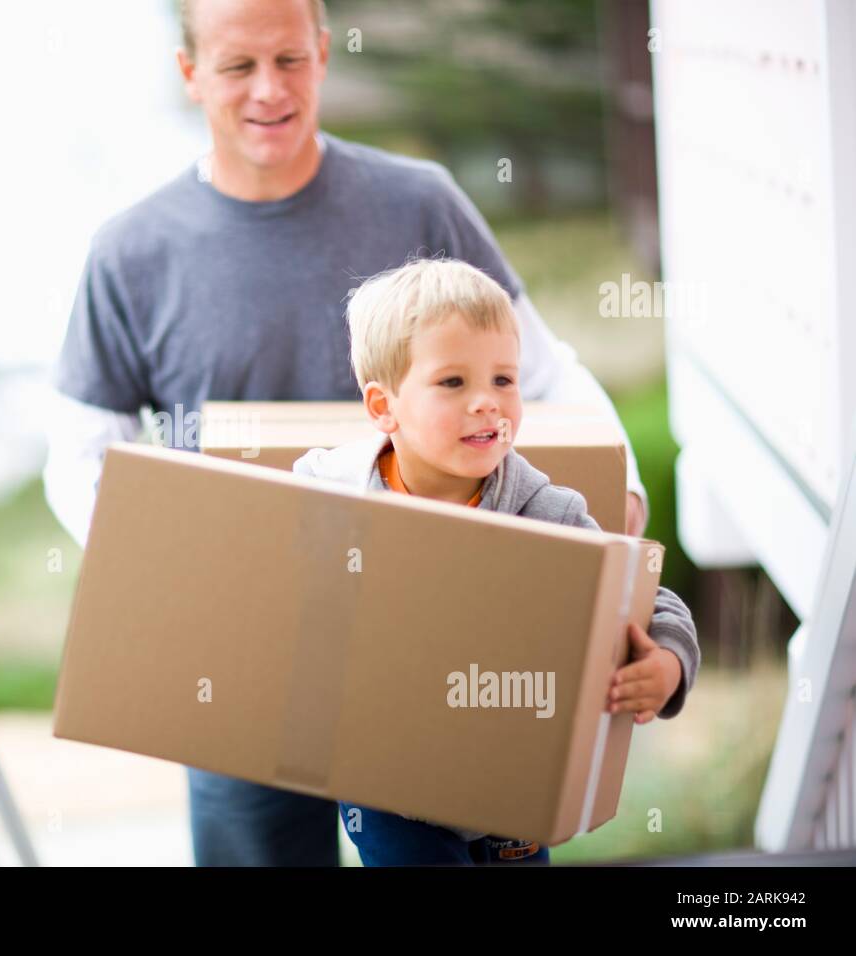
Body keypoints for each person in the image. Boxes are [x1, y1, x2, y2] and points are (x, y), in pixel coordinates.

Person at [45, 0, 652, 866]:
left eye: (291, 59)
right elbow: (79, 455)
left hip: (429, 645)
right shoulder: (129, 252)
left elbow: (547, 372)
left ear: (325, 53)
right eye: (236, 66)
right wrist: (166, 578)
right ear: (189, 74)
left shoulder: (420, 202)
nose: (269, 90)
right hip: (239, 656)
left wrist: (621, 492)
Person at [292, 257, 700, 866]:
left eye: (504, 380)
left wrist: (667, 663)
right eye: (453, 383)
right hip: (393, 789)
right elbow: (270, 574)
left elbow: (642, 593)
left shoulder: (545, 511)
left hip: (514, 787)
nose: (488, 403)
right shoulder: (334, 492)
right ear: (384, 406)